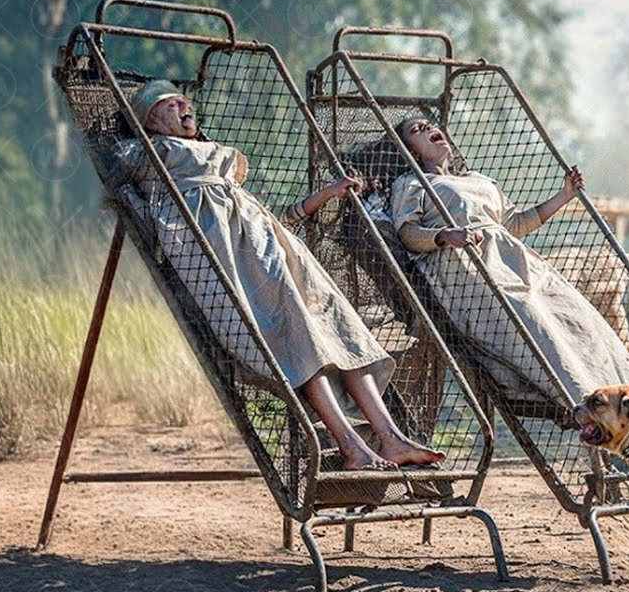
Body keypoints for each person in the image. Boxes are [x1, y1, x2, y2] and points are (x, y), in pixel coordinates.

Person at [116, 79, 444, 471]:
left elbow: (278, 215)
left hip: (270, 244)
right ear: (150, 119)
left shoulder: (219, 163)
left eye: (185, 101)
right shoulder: (152, 154)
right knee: (298, 334)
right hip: (229, 259)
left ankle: (390, 437)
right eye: (171, 104)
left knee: (336, 321)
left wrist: (326, 194)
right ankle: (351, 444)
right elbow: (132, 188)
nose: (185, 106)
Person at [307, 116, 629, 413]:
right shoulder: (410, 183)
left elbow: (514, 224)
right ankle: (584, 400)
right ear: (409, 150)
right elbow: (408, 233)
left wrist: (563, 196)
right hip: (462, 267)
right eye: (416, 130)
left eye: (429, 124)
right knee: (531, 319)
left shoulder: (480, 180)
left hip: (513, 260)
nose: (427, 127)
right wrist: (445, 236)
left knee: (575, 315)